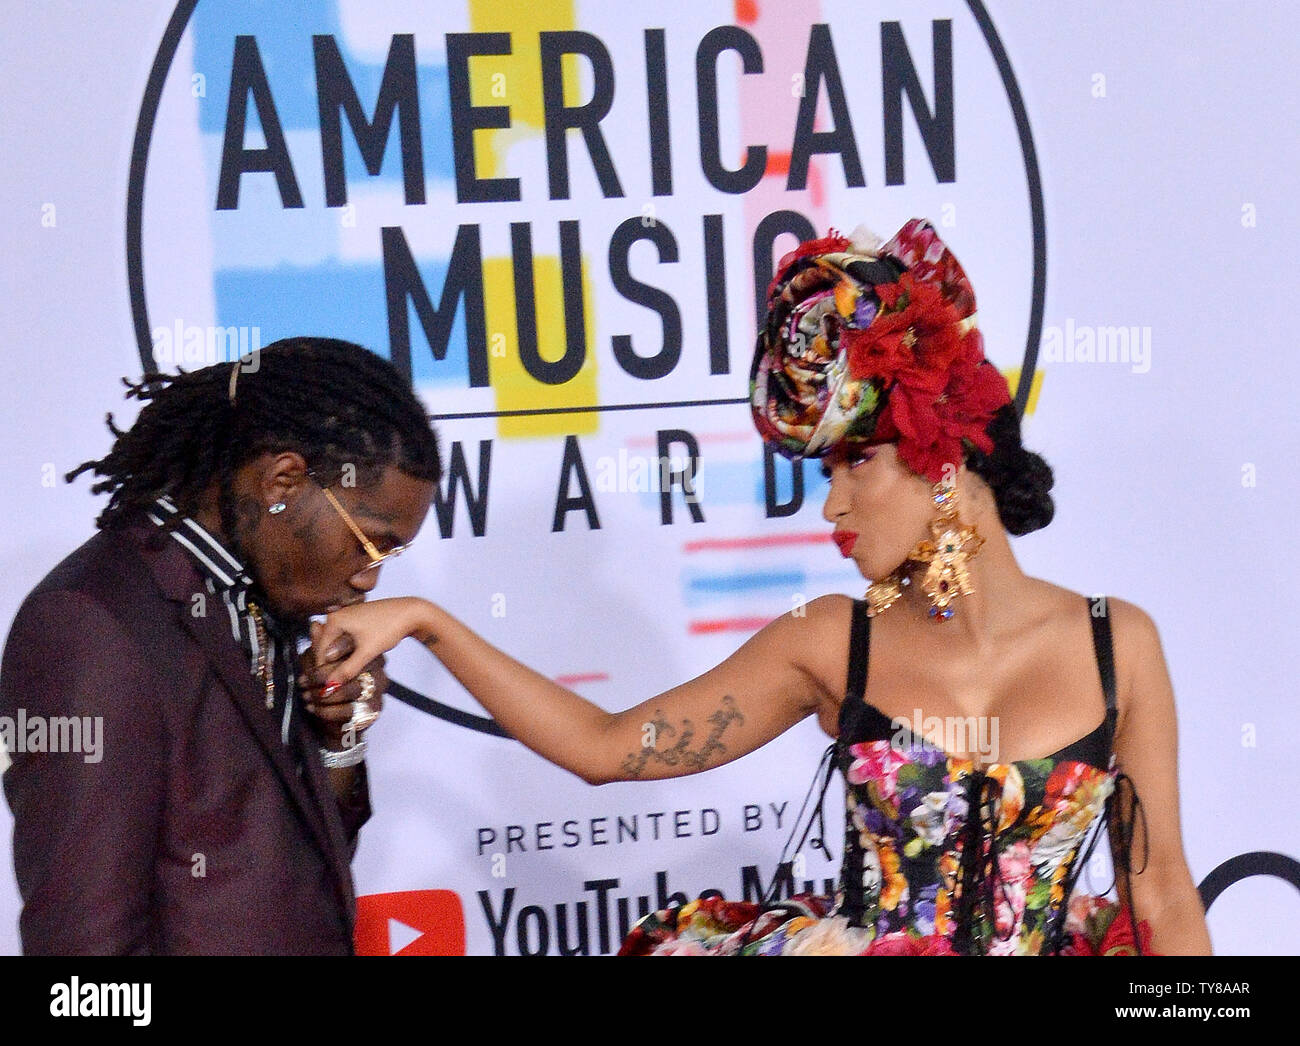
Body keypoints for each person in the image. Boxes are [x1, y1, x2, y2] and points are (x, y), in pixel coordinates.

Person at [303, 221, 1212, 956]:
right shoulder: (829, 640)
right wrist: (428, 621)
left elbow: (1165, 895)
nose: (836, 504)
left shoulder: (1114, 641)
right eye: (827, 473)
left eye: (857, 462)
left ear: (942, 455)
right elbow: (608, 746)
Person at [0, 336, 439, 954]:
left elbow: (301, 870)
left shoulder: (258, 586)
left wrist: (340, 742)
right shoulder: (91, 625)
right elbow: (80, 950)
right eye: (370, 543)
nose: (370, 577)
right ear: (282, 479)